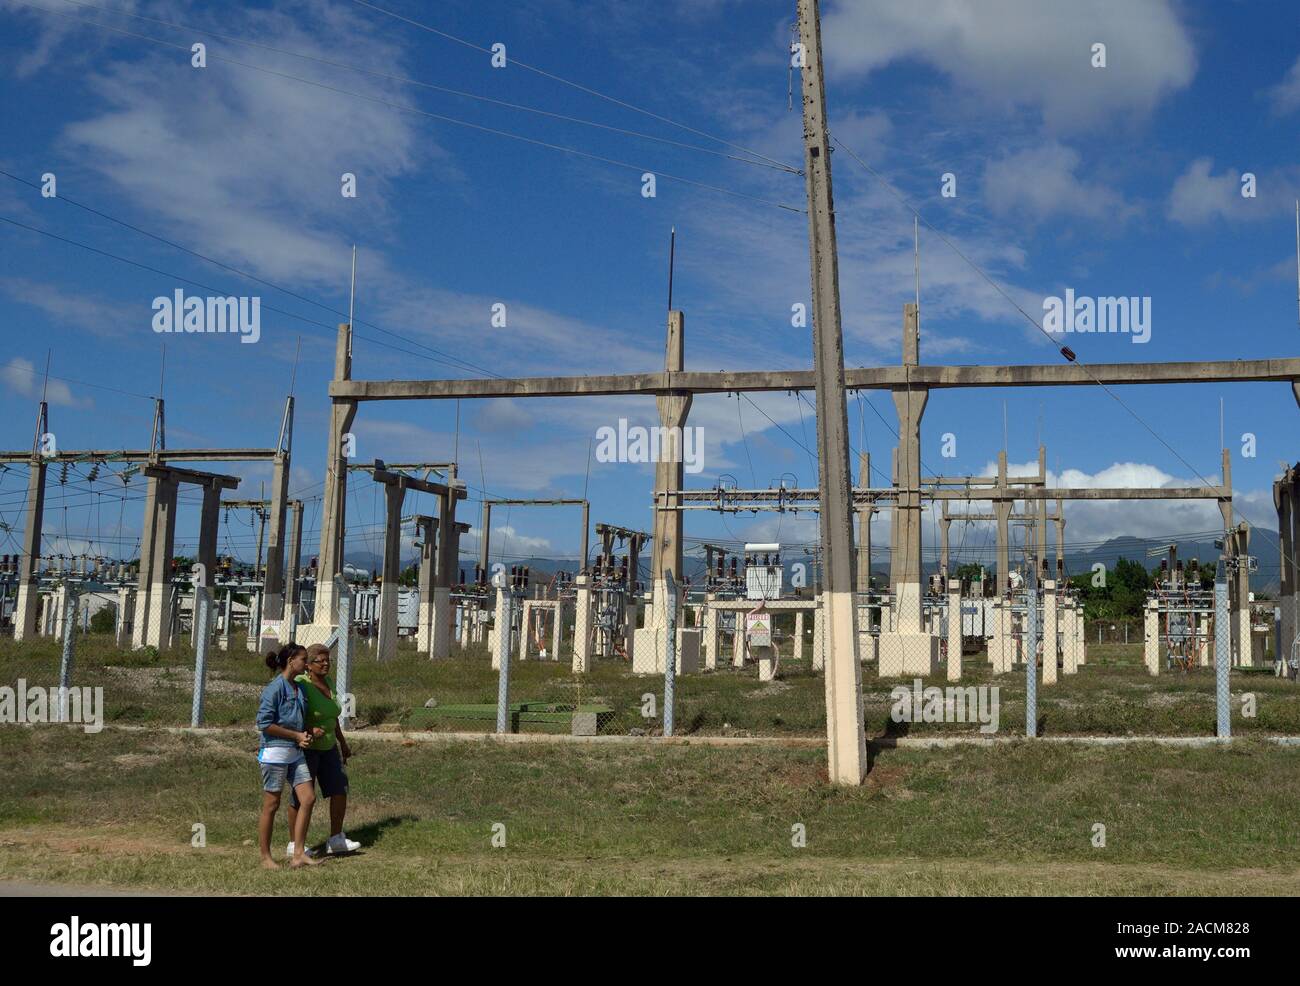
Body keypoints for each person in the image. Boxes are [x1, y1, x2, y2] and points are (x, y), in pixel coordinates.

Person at [287, 642, 359, 857]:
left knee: (339, 788)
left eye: (328, 659)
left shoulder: (327, 682)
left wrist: (342, 742)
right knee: (301, 796)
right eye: (321, 660)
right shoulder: (301, 684)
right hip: (307, 747)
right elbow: (290, 714)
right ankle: (294, 843)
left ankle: (336, 839)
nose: (326, 664)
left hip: (328, 747)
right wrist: (308, 728)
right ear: (308, 665)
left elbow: (332, 716)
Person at [255, 643, 322, 870]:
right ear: (291, 660)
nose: (306, 663)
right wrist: (295, 734)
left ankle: (298, 854)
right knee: (272, 804)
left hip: (295, 753)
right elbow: (264, 724)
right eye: (303, 659)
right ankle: (265, 857)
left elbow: (297, 719)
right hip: (275, 753)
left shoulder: (299, 688)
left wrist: (308, 731)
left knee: (308, 798)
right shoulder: (274, 689)